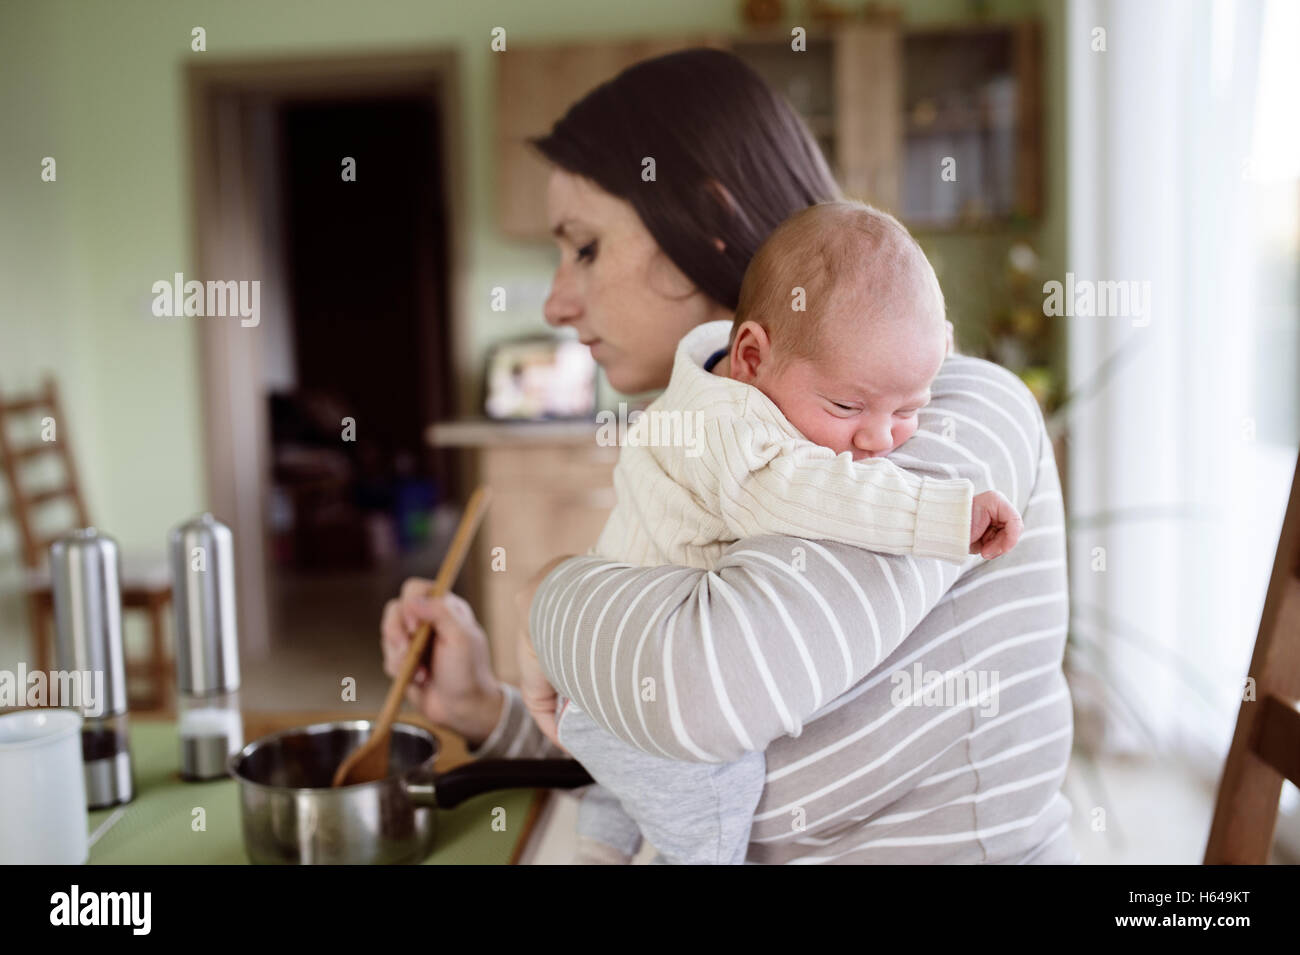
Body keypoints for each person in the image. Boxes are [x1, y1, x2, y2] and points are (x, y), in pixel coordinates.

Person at [380, 48, 1077, 864]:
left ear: (704, 220)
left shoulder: (955, 418)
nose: (556, 300)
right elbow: (679, 777)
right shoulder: (717, 441)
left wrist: (546, 598)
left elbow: (706, 691)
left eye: (585, 248)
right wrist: (484, 707)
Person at [559, 199, 1024, 864]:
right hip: (645, 691)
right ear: (750, 353)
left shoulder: (719, 384)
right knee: (715, 797)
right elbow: (813, 491)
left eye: (909, 410)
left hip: (604, 685)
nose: (877, 438)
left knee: (624, 786)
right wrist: (943, 512)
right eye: (847, 405)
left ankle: (596, 847)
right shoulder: (738, 438)